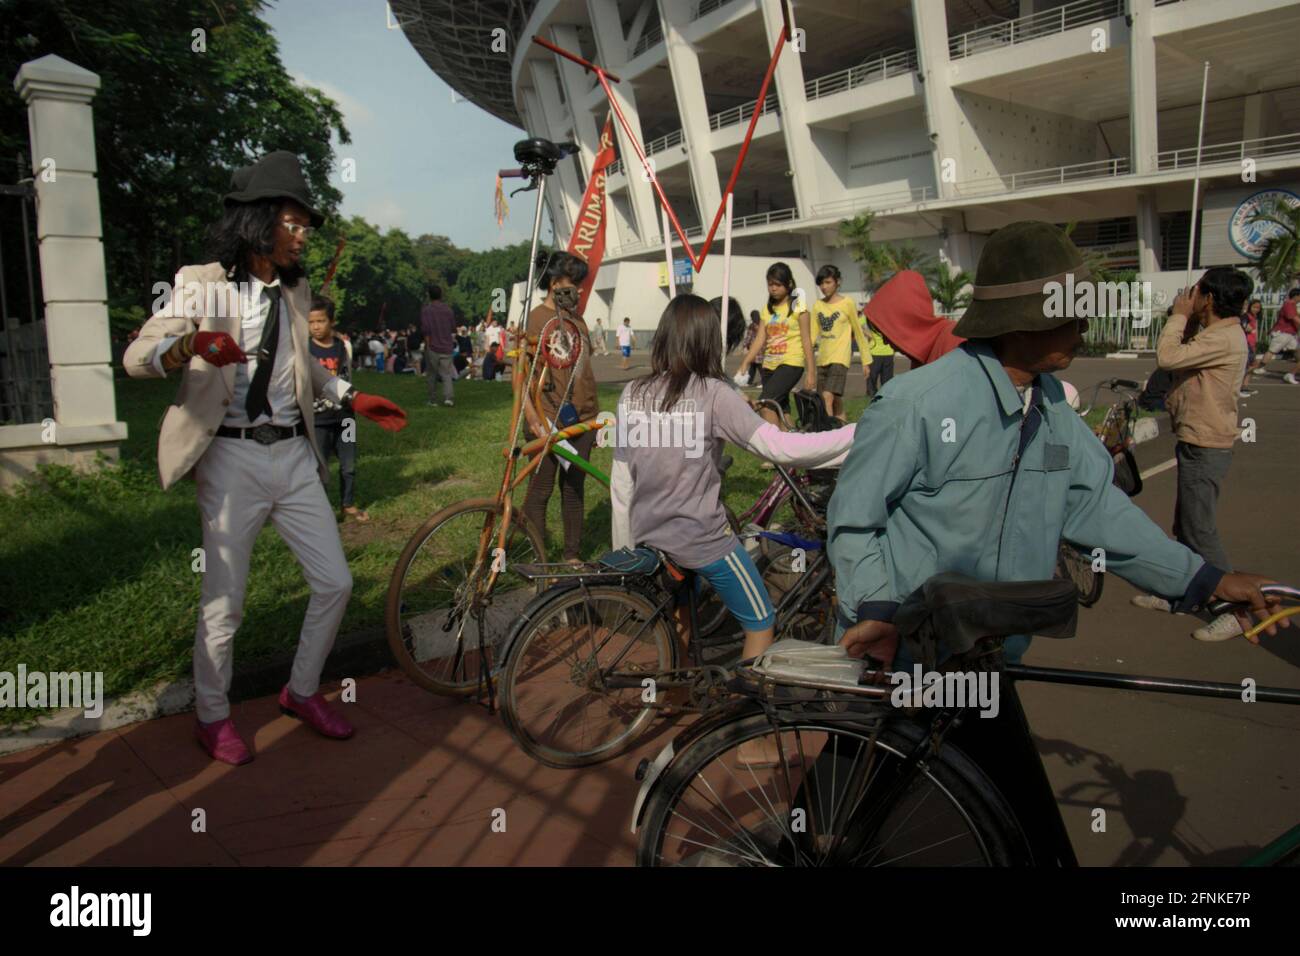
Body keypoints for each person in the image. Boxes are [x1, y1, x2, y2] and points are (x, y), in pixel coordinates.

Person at [827, 221, 1287, 860]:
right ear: (1017, 324)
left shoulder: (1052, 413)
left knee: (1018, 828)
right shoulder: (917, 405)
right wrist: (874, 612)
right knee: (841, 807)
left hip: (986, 650)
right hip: (905, 648)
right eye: (1068, 316)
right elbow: (854, 519)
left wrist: (1203, 581)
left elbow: (1101, 514)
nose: (1082, 330)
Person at [121, 151, 408, 765]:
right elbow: (137, 354)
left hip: (296, 457)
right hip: (230, 459)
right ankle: (212, 714)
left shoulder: (297, 289)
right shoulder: (202, 282)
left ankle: (300, 691)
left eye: (306, 226)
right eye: (293, 223)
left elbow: (298, 364)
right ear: (258, 221)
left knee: (335, 582)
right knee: (225, 603)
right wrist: (188, 345)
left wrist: (353, 397)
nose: (302, 236)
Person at [611, 293, 856, 765]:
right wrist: (854, 436)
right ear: (710, 341)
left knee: (681, 614)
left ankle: (677, 696)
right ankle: (747, 732)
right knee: (761, 620)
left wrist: (627, 545)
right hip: (703, 539)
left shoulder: (632, 394)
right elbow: (779, 450)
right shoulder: (712, 394)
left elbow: (622, 480)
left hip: (649, 534)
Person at [1129, 267, 1253, 642]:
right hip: (1195, 439)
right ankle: (1185, 593)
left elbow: (1167, 358)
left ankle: (1238, 609)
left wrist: (1179, 317)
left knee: (1200, 529)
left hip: (1206, 445)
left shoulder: (1225, 338)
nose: (1189, 298)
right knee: (1185, 527)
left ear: (1209, 299)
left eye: (1195, 293)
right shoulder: (1216, 333)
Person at [522, 252, 600, 564]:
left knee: (573, 489)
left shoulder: (577, 318)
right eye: (575, 284)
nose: (580, 291)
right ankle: (539, 559)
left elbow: (585, 368)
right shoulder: (536, 319)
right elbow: (521, 375)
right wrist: (532, 417)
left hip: (582, 420)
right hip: (546, 419)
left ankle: (571, 554)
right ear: (555, 284)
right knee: (539, 493)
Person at [308, 294, 369, 523]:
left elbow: (347, 377)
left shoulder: (343, 347)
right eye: (311, 322)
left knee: (349, 464)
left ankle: (348, 504)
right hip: (318, 419)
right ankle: (321, 510)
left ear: (331, 321)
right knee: (319, 467)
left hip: (345, 417)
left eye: (320, 321)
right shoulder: (304, 349)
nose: (315, 327)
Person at [735, 262, 816, 426]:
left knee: (766, 405)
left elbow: (807, 340)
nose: (773, 288)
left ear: (789, 284)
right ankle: (795, 445)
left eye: (777, 284)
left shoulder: (797, 306)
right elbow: (760, 339)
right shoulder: (767, 308)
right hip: (769, 366)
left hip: (790, 363)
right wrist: (745, 362)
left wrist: (811, 372)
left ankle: (777, 447)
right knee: (782, 410)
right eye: (770, 284)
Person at [811, 264, 871, 421]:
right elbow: (811, 334)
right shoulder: (818, 305)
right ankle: (844, 434)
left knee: (826, 397)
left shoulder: (848, 303)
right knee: (835, 401)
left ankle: (827, 436)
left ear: (838, 282)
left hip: (840, 358)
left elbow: (858, 332)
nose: (824, 287)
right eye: (821, 283)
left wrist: (865, 360)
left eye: (828, 282)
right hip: (823, 358)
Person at [1249, 287, 1300, 383]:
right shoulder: (1289, 304)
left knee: (1296, 350)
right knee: (1272, 351)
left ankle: (1293, 372)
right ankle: (1259, 368)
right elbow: (1293, 318)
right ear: (1296, 296)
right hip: (1283, 333)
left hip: (1290, 334)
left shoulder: (1292, 305)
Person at [420, 283, 457, 406]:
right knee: (447, 374)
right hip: (447, 346)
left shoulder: (426, 311)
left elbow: (426, 330)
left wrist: (427, 345)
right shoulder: (448, 310)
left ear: (429, 296)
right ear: (441, 295)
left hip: (433, 345)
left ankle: (432, 399)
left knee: (432, 374)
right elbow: (453, 328)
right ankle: (449, 398)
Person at [1238, 298, 1261, 397]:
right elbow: (1243, 325)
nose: (1256, 309)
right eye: (1254, 307)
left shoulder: (1254, 317)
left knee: (1253, 365)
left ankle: (1244, 387)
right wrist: (1249, 329)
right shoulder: (1246, 316)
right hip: (1247, 343)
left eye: (1258, 308)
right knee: (1248, 366)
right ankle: (1239, 387)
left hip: (1252, 344)